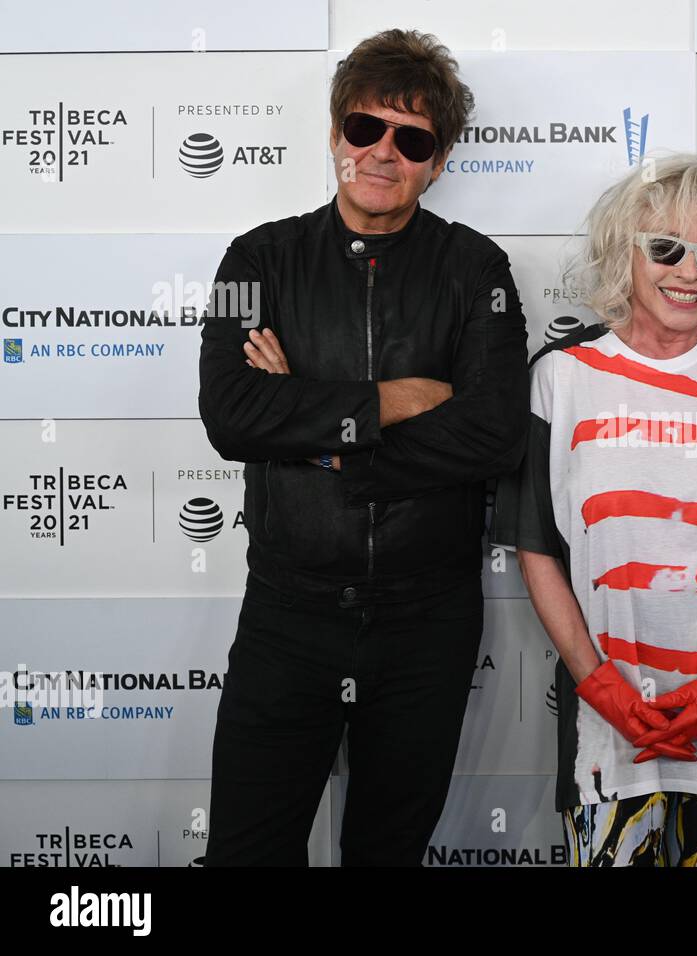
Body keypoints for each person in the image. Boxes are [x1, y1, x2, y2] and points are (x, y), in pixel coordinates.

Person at [197, 29, 529, 866]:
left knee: (389, 852)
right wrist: (403, 398)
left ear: (438, 160)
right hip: (287, 615)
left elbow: (492, 432)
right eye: (364, 129)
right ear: (336, 134)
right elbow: (233, 416)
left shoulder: (477, 268)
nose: (383, 152)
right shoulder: (257, 258)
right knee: (247, 851)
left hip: (428, 621)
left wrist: (321, 440)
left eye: (411, 139)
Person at [491, 154, 697, 867]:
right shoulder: (560, 380)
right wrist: (598, 683)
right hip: (604, 732)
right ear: (625, 252)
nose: (689, 271)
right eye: (666, 248)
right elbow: (536, 548)